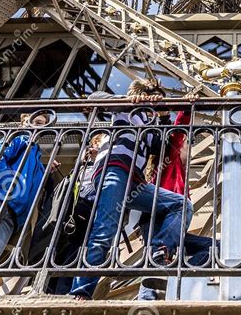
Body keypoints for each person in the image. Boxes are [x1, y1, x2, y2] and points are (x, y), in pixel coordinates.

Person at [69, 79, 193, 300]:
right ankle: (81, 292)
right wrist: (130, 100)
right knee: (104, 230)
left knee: (181, 204)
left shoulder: (150, 128)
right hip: (114, 171)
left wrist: (165, 116)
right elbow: (94, 99)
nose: (156, 102)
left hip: (134, 181)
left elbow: (166, 146)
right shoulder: (126, 111)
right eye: (155, 97)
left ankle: (159, 251)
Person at [137, 92, 214, 300]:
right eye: (185, 144)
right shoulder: (169, 159)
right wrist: (186, 107)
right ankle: (147, 297)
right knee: (157, 252)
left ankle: (175, 282)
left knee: (212, 248)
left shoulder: (176, 169)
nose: (187, 147)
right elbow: (178, 131)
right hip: (161, 215)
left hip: (168, 221)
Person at [0, 111, 53, 300]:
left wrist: (46, 170)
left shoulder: (37, 159)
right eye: (38, 122)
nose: (40, 126)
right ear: (26, 122)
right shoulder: (18, 139)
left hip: (15, 215)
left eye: (44, 124)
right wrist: (8, 186)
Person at [48, 132, 105, 295]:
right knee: (69, 254)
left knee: (80, 254)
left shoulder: (100, 166)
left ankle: (66, 291)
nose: (96, 149)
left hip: (90, 216)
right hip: (78, 215)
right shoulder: (84, 167)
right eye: (97, 145)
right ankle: (59, 292)